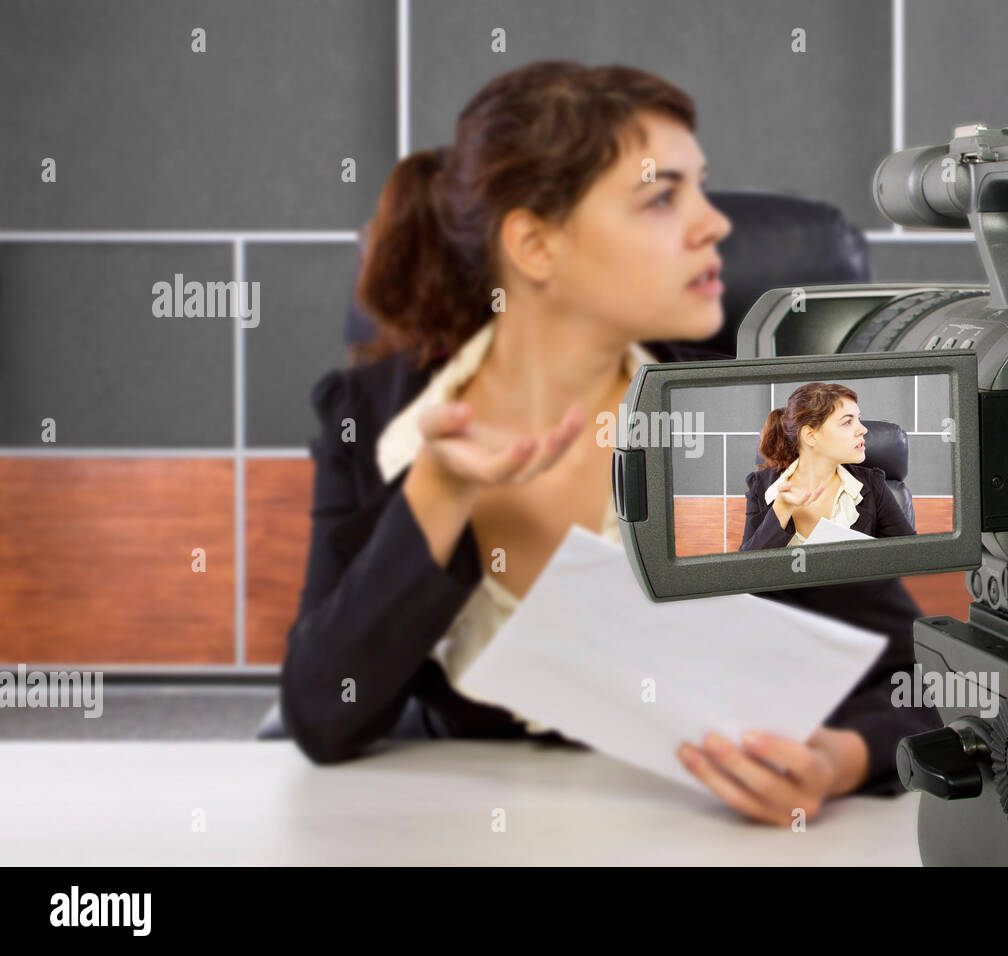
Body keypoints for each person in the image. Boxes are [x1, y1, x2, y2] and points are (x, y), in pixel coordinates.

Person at [279, 60, 940, 826]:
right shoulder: (375, 414)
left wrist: (837, 761)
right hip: (448, 827)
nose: (713, 223)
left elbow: (920, 684)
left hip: (692, 834)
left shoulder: (739, 418)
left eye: (698, 186)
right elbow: (323, 716)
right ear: (534, 245)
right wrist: (439, 491)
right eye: (663, 196)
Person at [739, 383, 916, 551]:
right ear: (810, 436)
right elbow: (745, 572)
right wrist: (781, 510)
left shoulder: (872, 484)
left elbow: (912, 555)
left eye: (858, 419)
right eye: (847, 422)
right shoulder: (762, 486)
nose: (863, 429)